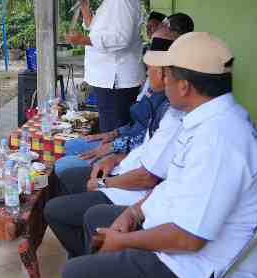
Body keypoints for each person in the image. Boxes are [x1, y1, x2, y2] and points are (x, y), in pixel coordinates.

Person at [60, 32, 257, 278]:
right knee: (98, 217)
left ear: (185, 86)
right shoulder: (208, 120)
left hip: (201, 268)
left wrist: (125, 240)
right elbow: (173, 184)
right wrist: (134, 212)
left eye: (168, 75)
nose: (161, 80)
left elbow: (188, 239)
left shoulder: (221, 140)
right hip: (183, 242)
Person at [44, 35, 178, 258]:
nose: (146, 73)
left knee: (64, 175)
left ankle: (86, 256)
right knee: (66, 167)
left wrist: (105, 181)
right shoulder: (161, 102)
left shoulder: (171, 114)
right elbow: (142, 140)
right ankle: (83, 247)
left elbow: (148, 177)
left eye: (150, 69)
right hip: (124, 166)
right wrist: (115, 154)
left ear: (166, 75)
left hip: (129, 188)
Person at [53, 30, 178, 175]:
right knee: (68, 146)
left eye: (150, 68)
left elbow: (147, 143)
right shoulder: (154, 87)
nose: (147, 73)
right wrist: (113, 134)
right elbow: (138, 124)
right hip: (125, 140)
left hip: (130, 154)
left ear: (163, 72)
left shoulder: (170, 104)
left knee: (63, 166)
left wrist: (113, 148)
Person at [65, 0, 145, 133]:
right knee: (111, 129)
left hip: (116, 80)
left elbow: (121, 39)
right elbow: (97, 28)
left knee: (114, 131)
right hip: (109, 78)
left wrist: (82, 40)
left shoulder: (122, 0)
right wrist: (85, 9)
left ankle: (115, 159)